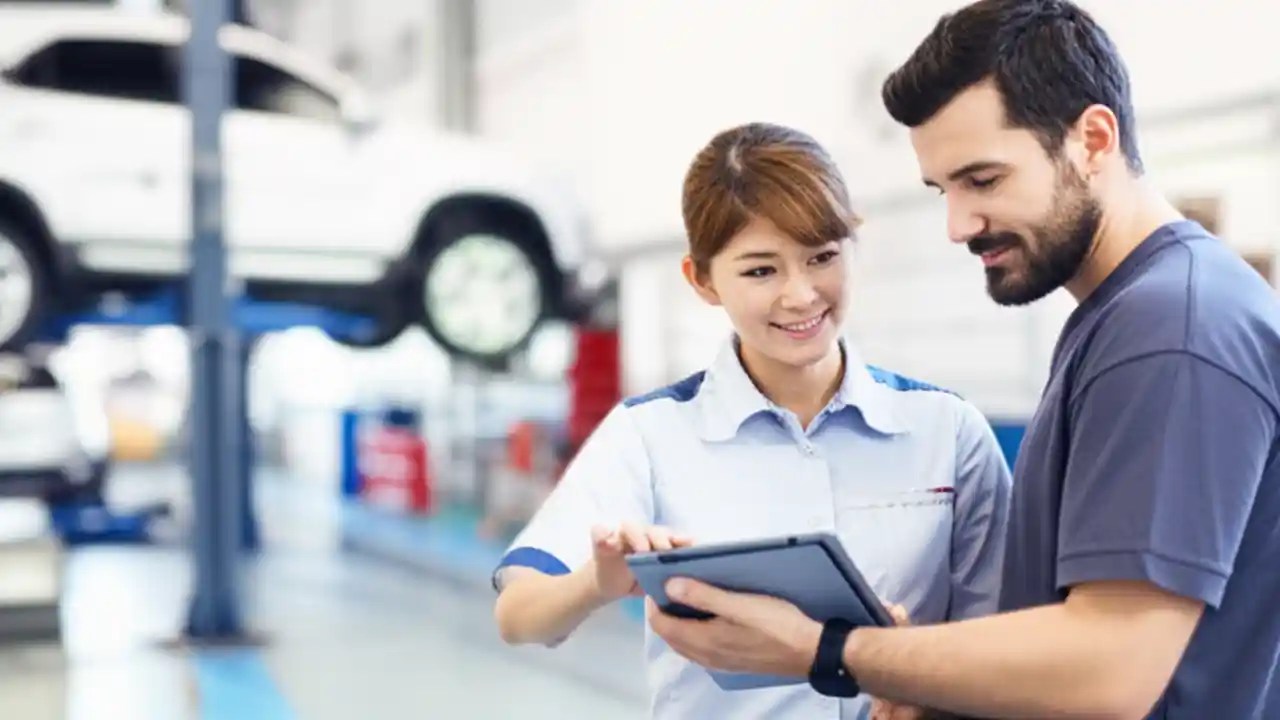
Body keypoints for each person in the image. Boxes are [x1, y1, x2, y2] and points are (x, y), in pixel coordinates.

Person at [646, 2, 1280, 719]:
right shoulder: (1128, 315)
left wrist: (828, 650)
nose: (957, 225)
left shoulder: (1170, 327)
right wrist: (931, 687)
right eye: (942, 189)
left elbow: (1113, 669)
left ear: (1093, 141)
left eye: (982, 181)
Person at [492, 122, 1013, 719]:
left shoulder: (947, 432)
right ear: (703, 280)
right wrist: (596, 582)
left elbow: (1003, 639)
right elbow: (518, 614)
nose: (801, 295)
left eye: (822, 258)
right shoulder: (651, 436)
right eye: (761, 271)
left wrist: (927, 700)